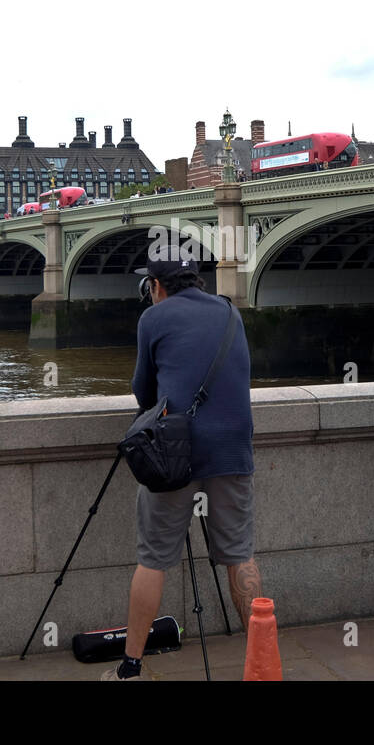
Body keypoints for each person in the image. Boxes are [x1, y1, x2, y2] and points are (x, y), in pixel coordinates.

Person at [104, 254, 263, 680]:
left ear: (155, 285)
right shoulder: (231, 312)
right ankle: (262, 664)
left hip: (175, 451)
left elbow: (143, 391)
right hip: (233, 447)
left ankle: (131, 666)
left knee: (154, 558)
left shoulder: (153, 319)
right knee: (240, 554)